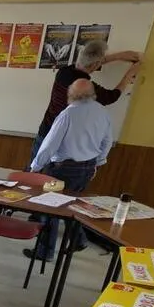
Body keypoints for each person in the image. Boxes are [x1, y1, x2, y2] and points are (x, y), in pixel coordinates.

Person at [25, 79, 113, 263]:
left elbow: (50, 144)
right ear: (92, 93)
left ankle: (45, 251)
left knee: (50, 208)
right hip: (87, 167)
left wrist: (35, 168)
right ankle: (79, 240)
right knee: (71, 205)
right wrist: (97, 162)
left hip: (63, 169)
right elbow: (107, 141)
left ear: (71, 94)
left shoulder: (68, 114)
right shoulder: (102, 112)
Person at [31, 40, 141, 162]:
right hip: (64, 145)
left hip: (45, 134)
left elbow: (87, 63)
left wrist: (118, 56)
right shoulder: (86, 87)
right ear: (96, 64)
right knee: (53, 180)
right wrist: (129, 75)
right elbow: (111, 96)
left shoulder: (64, 72)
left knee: (32, 176)